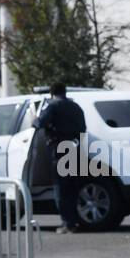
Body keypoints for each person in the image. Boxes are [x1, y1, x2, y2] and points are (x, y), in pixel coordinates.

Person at [32, 83, 88, 234]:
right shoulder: (76, 107)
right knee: (74, 187)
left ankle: (67, 223)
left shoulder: (52, 106)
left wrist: (35, 118)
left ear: (52, 93)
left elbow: (40, 123)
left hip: (59, 148)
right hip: (76, 148)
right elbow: (83, 128)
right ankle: (75, 221)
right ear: (64, 92)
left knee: (60, 187)